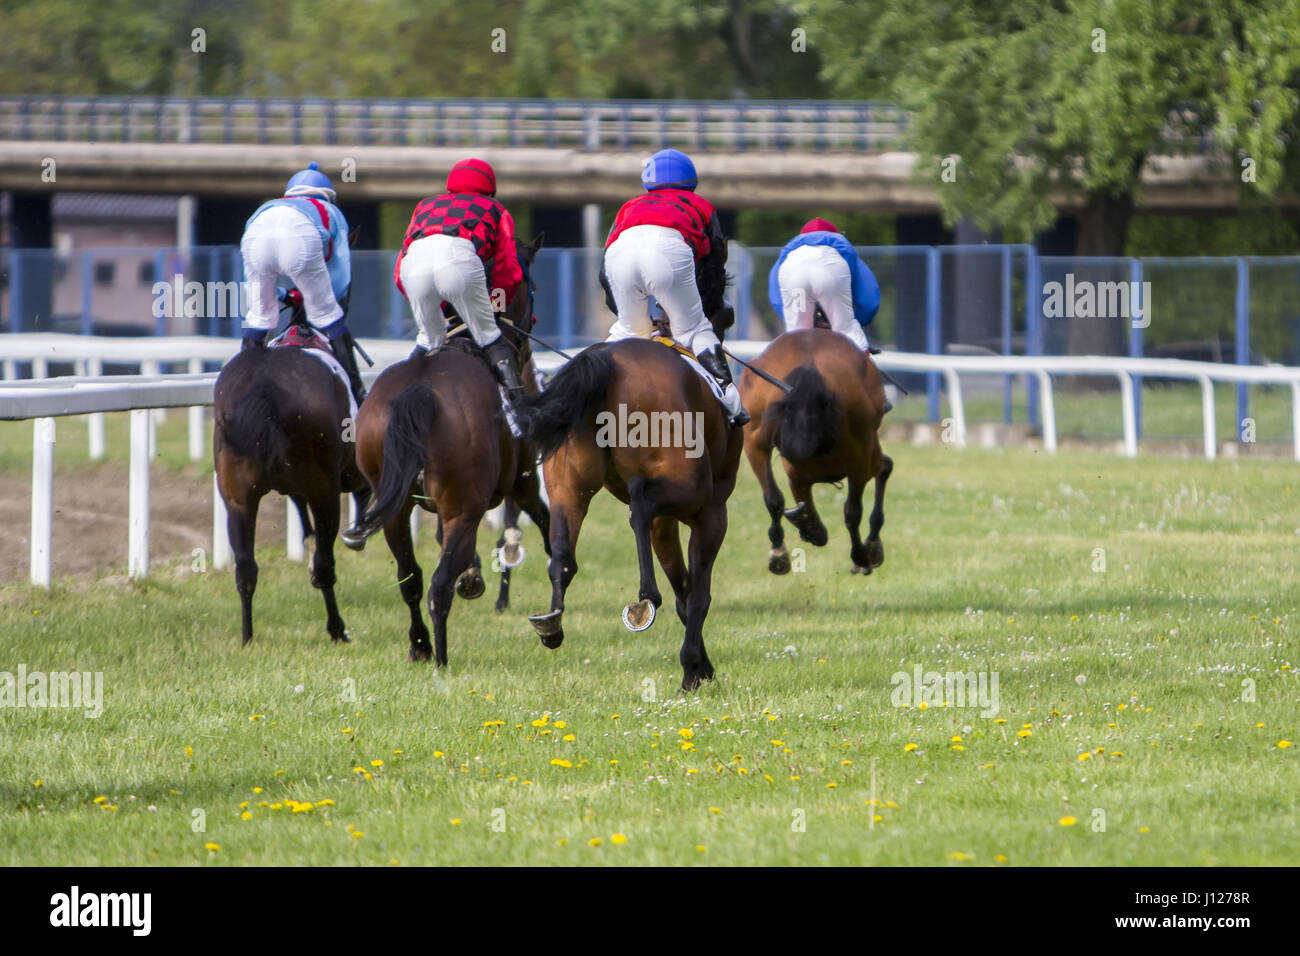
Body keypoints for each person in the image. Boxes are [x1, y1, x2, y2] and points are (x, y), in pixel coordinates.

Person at [599, 148, 749, 426]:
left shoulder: (628, 207)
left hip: (619, 255)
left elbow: (604, 277)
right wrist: (687, 313)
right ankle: (731, 400)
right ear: (691, 183)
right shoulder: (701, 205)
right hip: (668, 252)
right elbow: (714, 270)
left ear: (648, 183)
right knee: (695, 330)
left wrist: (636, 318)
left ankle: (567, 386)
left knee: (627, 332)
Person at [393, 157, 526, 403]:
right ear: (491, 190)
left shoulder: (425, 205)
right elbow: (508, 269)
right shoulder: (496, 209)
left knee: (427, 341)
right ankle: (522, 415)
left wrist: (438, 306)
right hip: (458, 260)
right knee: (489, 337)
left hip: (414, 268)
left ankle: (397, 398)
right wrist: (496, 305)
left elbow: (399, 273)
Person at [240, 162, 366, 404]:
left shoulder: (266, 208)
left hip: (255, 237)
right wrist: (322, 302)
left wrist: (286, 295)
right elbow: (340, 279)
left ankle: (243, 390)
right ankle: (358, 392)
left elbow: (251, 284)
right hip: (301, 237)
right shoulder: (331, 212)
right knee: (328, 314)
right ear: (327, 197)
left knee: (260, 316)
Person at [768, 217, 880, 352]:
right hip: (830, 265)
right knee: (847, 329)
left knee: (796, 337)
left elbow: (777, 299)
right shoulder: (841, 247)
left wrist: (800, 318)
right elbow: (868, 299)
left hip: (792, 270)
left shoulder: (790, 254)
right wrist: (860, 320)